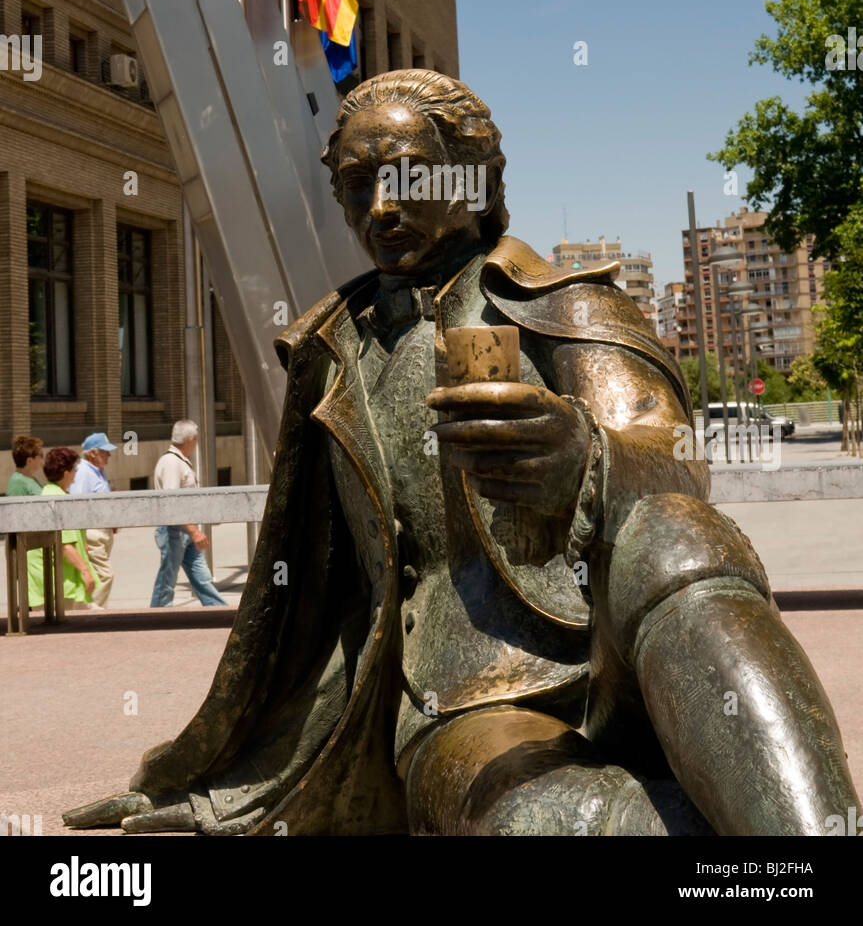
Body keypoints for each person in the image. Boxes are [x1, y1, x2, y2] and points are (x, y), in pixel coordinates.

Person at [66, 71, 861, 837]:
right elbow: (297, 605)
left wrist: (581, 457)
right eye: (355, 183)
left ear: (474, 179)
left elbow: (670, 452)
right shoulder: (328, 351)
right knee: (531, 811)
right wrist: (211, 773)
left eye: (409, 177)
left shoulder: (563, 303)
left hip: (620, 645)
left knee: (674, 529)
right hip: (466, 696)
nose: (379, 207)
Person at [149, 421, 226, 609]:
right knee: (167, 580)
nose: (196, 443)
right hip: (174, 531)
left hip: (185, 530)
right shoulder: (171, 462)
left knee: (202, 578)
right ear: (190, 440)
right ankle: (157, 615)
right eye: (196, 439)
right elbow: (172, 502)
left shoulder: (178, 461)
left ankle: (218, 609)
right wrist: (194, 531)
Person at [27, 447, 98, 609]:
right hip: (57, 583)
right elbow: (65, 545)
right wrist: (85, 571)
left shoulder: (49, 492)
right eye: (74, 469)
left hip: (52, 581)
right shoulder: (58, 500)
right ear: (66, 473)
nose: (75, 474)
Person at [68, 431, 117, 608]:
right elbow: (77, 504)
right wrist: (81, 537)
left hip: (102, 533)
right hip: (92, 533)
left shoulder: (98, 471)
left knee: (96, 576)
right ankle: (91, 612)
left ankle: (87, 609)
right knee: (105, 575)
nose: (109, 455)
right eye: (105, 451)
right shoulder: (83, 472)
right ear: (93, 453)